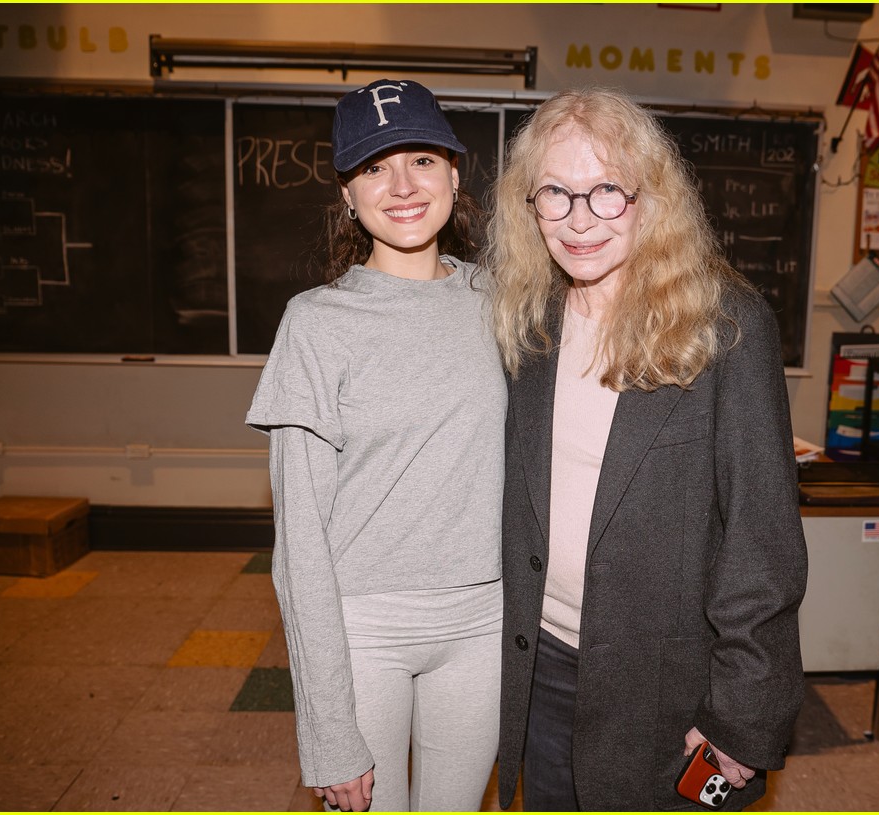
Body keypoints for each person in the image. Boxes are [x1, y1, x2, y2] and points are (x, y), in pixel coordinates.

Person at [485, 86, 808, 811]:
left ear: (651, 196)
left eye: (606, 191)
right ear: (527, 206)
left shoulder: (727, 326)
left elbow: (764, 542)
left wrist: (742, 717)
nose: (579, 219)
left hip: (669, 691)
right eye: (555, 194)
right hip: (540, 671)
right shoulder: (525, 321)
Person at [245, 79, 505, 812]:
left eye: (421, 159)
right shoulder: (316, 324)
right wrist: (327, 730)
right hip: (364, 633)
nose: (401, 186)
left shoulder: (505, 302)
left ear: (455, 173)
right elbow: (298, 542)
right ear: (349, 195)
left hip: (483, 625)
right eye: (373, 168)